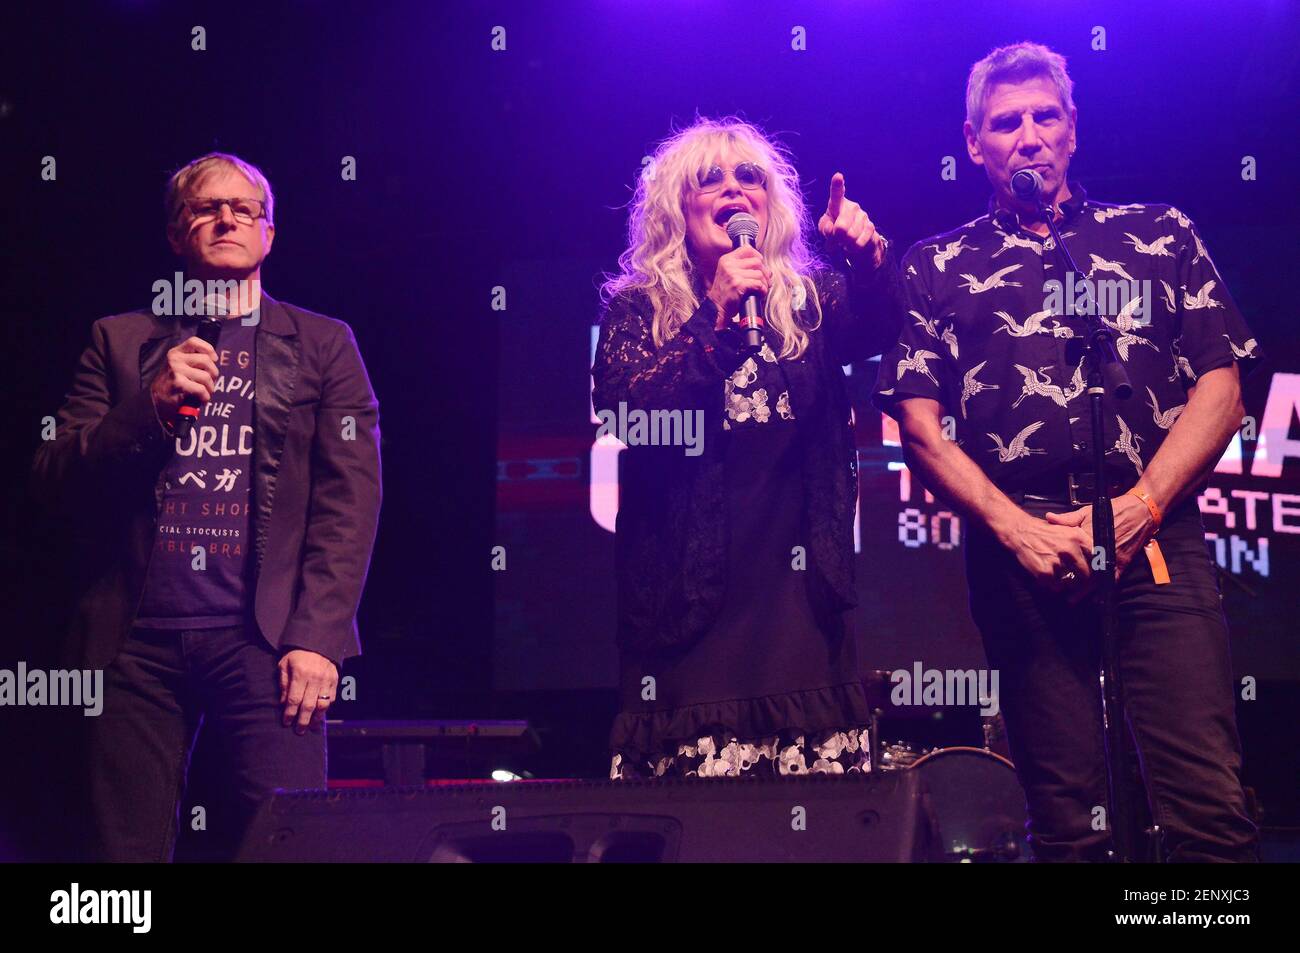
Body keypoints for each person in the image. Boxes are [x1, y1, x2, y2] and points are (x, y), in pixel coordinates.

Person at [871, 43, 1260, 861]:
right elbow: (919, 427)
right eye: (1005, 122)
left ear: (1073, 130)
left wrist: (1143, 506)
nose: (1029, 135)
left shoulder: (1159, 234)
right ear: (974, 143)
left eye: (1045, 116)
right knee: (1068, 822)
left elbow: (1222, 389)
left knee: (1208, 813)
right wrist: (1020, 531)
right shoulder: (935, 266)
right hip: (1025, 556)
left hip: (1156, 542)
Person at [31, 152, 382, 861]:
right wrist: (146, 409)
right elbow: (52, 476)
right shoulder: (120, 340)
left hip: (266, 640)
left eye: (243, 209)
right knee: (120, 859)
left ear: (268, 234)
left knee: (286, 844)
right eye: (205, 208)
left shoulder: (322, 344)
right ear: (175, 234)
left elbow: (351, 500)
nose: (226, 219)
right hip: (136, 643)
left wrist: (318, 635)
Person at [594, 117, 905, 779]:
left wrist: (869, 260)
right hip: (688, 619)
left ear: (771, 204)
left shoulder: (812, 302)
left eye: (751, 179)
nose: (735, 192)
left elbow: (884, 325)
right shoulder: (636, 310)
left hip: (801, 614)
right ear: (679, 207)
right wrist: (715, 314)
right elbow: (626, 412)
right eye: (711, 181)